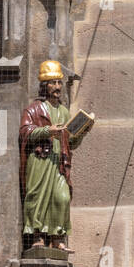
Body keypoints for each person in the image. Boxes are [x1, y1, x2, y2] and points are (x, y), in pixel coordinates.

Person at [19, 59, 84, 249]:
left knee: (62, 197)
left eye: (59, 82)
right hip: (40, 159)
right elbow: (24, 132)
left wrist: (81, 135)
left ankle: (57, 237)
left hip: (58, 161)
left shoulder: (64, 112)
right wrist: (47, 131)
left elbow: (70, 142)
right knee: (37, 197)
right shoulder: (33, 109)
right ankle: (37, 237)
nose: (57, 87)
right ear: (44, 86)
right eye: (52, 83)